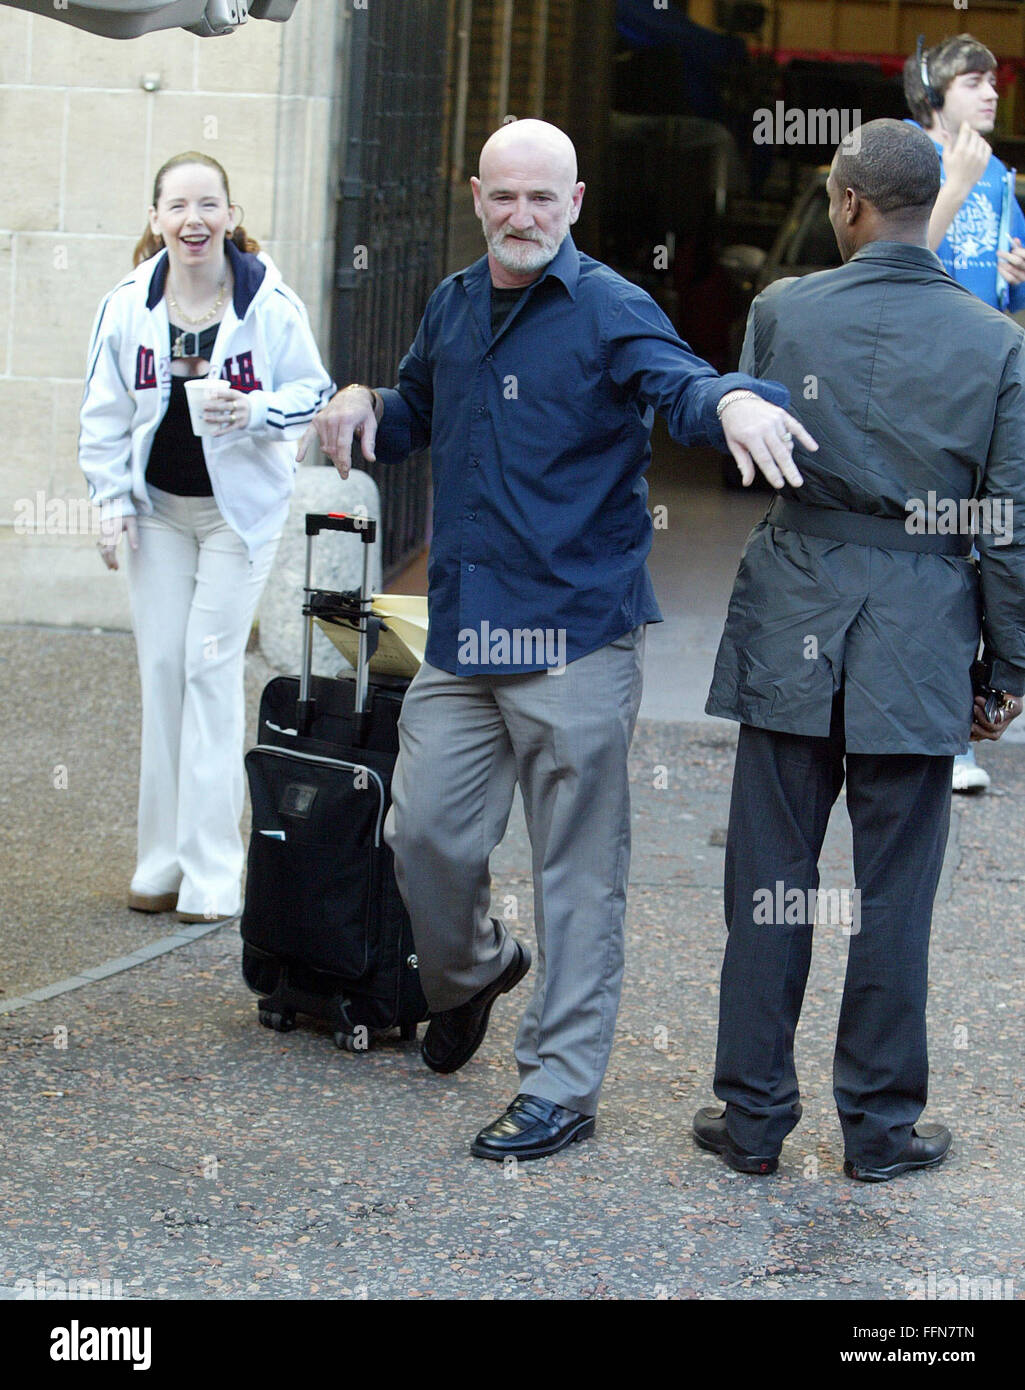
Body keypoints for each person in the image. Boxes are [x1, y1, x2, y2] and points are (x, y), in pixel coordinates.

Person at [299, 117, 816, 1161]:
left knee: (577, 872)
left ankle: (559, 1085)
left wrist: (733, 406)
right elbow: (414, 417)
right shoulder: (451, 301)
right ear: (477, 196)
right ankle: (477, 967)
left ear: (573, 204)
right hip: (463, 632)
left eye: (543, 198)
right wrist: (358, 403)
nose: (521, 215)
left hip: (575, 637)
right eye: (504, 196)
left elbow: (680, 383)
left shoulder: (609, 307)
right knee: (422, 835)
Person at [697, 119, 1025, 1182]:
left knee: (768, 884)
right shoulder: (994, 340)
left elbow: (745, 455)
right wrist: (1006, 668)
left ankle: (751, 1122)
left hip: (795, 604)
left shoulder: (781, 308)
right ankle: (877, 1132)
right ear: (932, 202)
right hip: (919, 625)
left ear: (842, 202)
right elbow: (1007, 522)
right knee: (891, 897)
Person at [79, 151, 333, 923]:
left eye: (208, 204)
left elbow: (313, 391)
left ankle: (215, 871)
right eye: (178, 205)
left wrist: (255, 412)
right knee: (162, 668)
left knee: (208, 668)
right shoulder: (127, 305)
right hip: (158, 512)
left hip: (237, 518)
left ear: (230, 215)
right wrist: (109, 499)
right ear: (156, 218)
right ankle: (159, 863)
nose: (194, 219)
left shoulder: (267, 303)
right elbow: (104, 413)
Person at [904, 32, 1025, 792]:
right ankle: (927, 733)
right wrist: (951, 185)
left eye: (993, 82)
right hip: (919, 384)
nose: (989, 94)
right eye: (972, 81)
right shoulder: (906, 161)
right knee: (929, 556)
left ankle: (960, 731)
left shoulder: (1002, 175)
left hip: (984, 378)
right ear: (933, 93)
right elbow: (891, 257)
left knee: (984, 558)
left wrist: (1017, 275)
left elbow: (1002, 295)